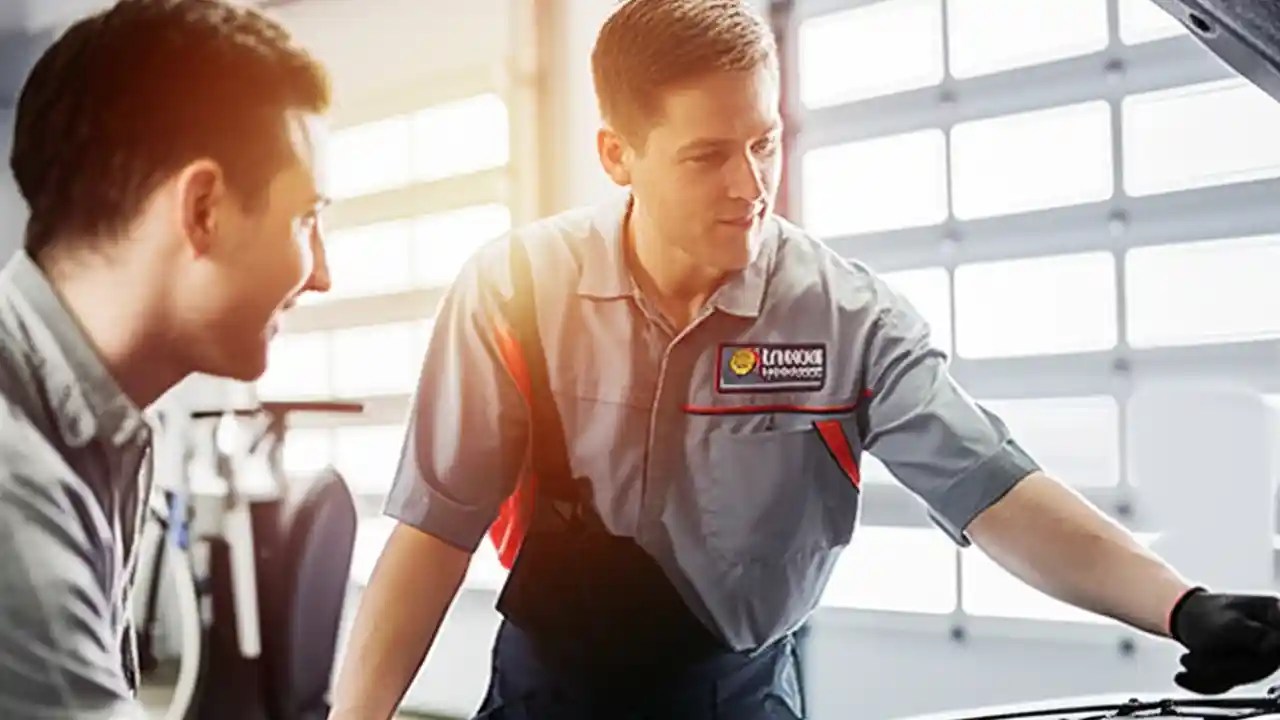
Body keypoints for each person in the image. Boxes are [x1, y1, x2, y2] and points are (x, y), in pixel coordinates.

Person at [330, 1, 1280, 718]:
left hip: (742, 700)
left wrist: (1178, 604)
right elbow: (433, 536)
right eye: (707, 156)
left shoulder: (842, 316)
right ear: (618, 154)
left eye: (765, 142)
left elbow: (993, 490)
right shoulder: (515, 289)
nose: (750, 185)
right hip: (549, 697)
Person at [0, 1, 333, 716]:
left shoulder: (93, 428)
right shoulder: (12, 479)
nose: (322, 273)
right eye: (306, 219)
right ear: (204, 209)